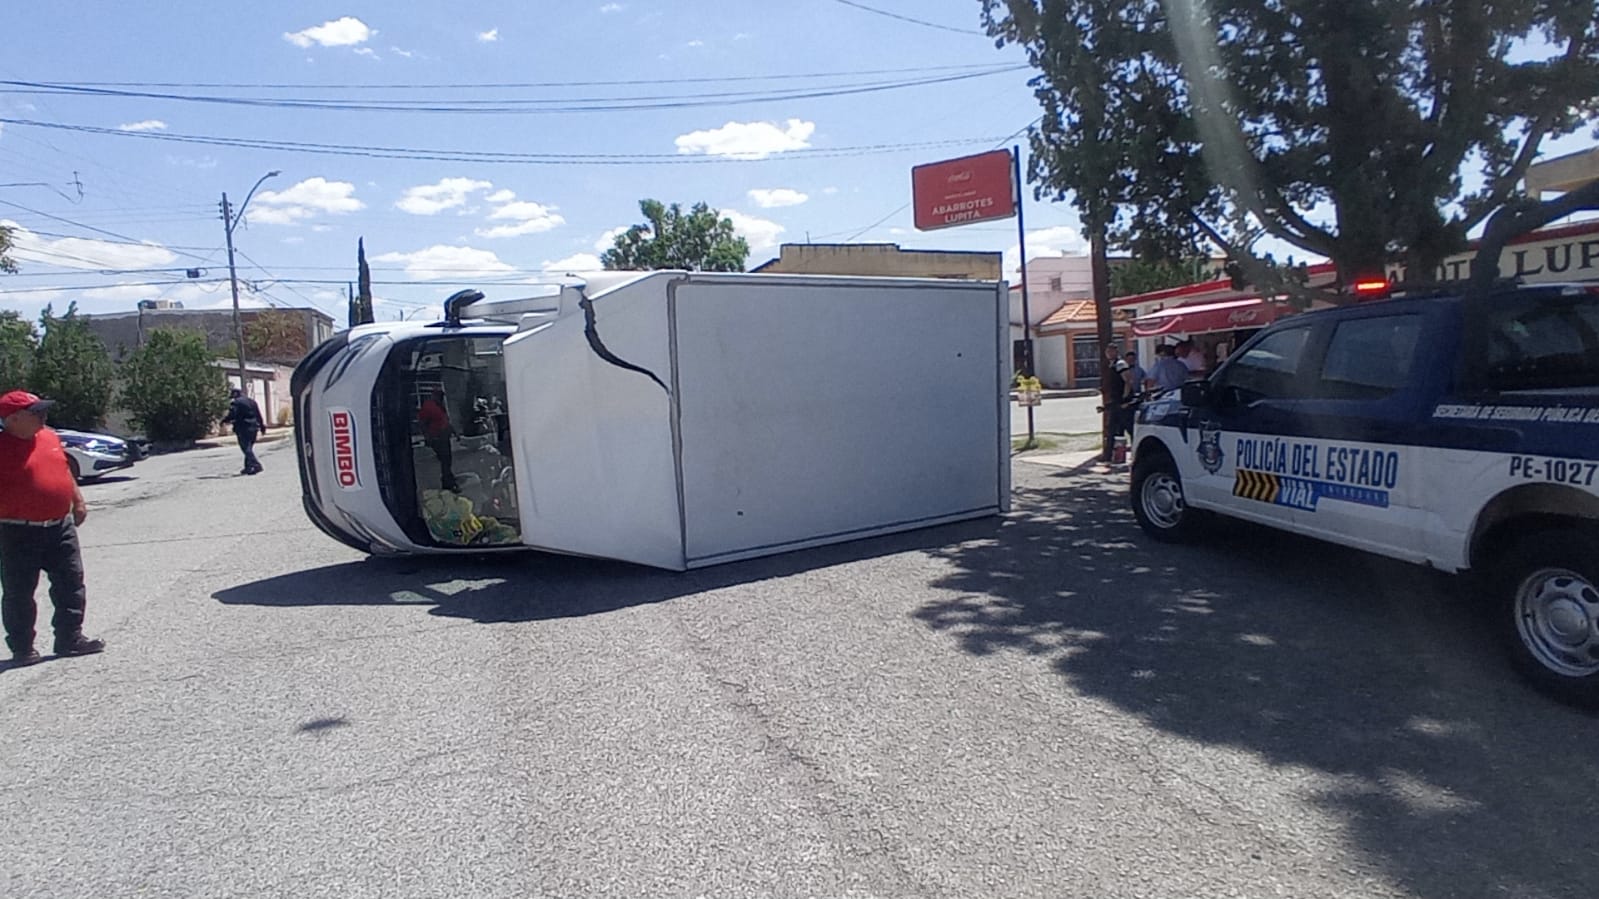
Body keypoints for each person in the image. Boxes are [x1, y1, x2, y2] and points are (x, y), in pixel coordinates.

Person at [0, 390, 106, 665]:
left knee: (71, 584)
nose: (43, 416)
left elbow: (63, 469)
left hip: (60, 526)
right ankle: (23, 649)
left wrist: (78, 500)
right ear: (12, 418)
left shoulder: (48, 436)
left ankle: (69, 638)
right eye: (35, 412)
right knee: (19, 592)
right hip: (18, 531)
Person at [418, 387, 458, 492]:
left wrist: (455, 433)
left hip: (445, 436)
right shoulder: (428, 406)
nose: (440, 397)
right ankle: (448, 483)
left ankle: (448, 478)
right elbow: (422, 423)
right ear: (433, 395)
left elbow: (446, 421)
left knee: (447, 460)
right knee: (445, 460)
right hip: (437, 437)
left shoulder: (441, 406)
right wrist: (428, 437)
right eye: (438, 395)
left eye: (441, 395)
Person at [221, 386, 267, 475]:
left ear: (235, 394)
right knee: (249, 447)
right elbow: (258, 414)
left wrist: (224, 421)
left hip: (243, 427)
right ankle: (248, 467)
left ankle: (257, 465)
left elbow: (232, 414)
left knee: (245, 448)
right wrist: (262, 427)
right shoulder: (252, 402)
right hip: (254, 427)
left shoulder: (236, 403)